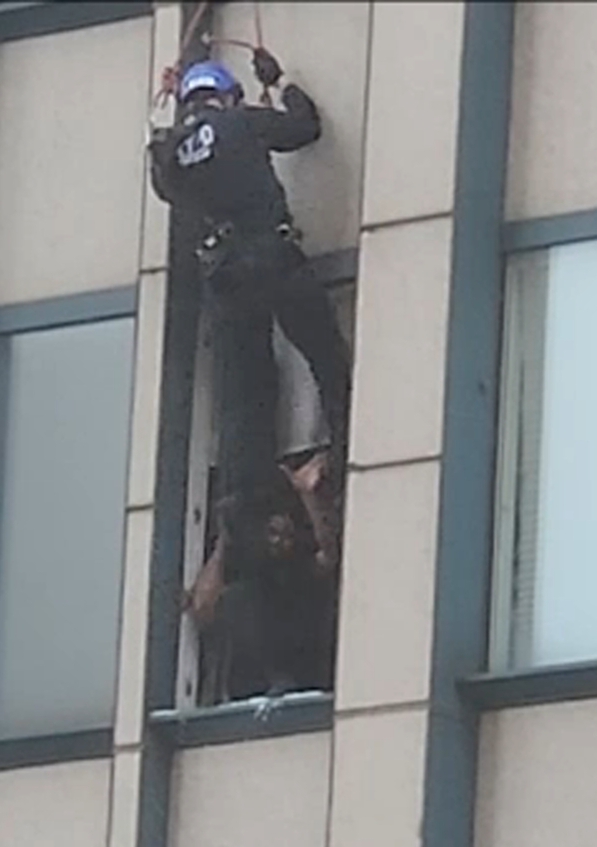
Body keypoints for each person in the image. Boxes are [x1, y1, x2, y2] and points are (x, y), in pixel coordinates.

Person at [149, 51, 350, 701]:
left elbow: (165, 172)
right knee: (325, 356)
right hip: (271, 256)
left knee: (247, 396)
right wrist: (280, 79)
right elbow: (304, 126)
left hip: (226, 279)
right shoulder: (240, 124)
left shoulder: (172, 153)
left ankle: (247, 497)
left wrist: (167, 107)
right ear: (228, 99)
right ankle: (344, 452)